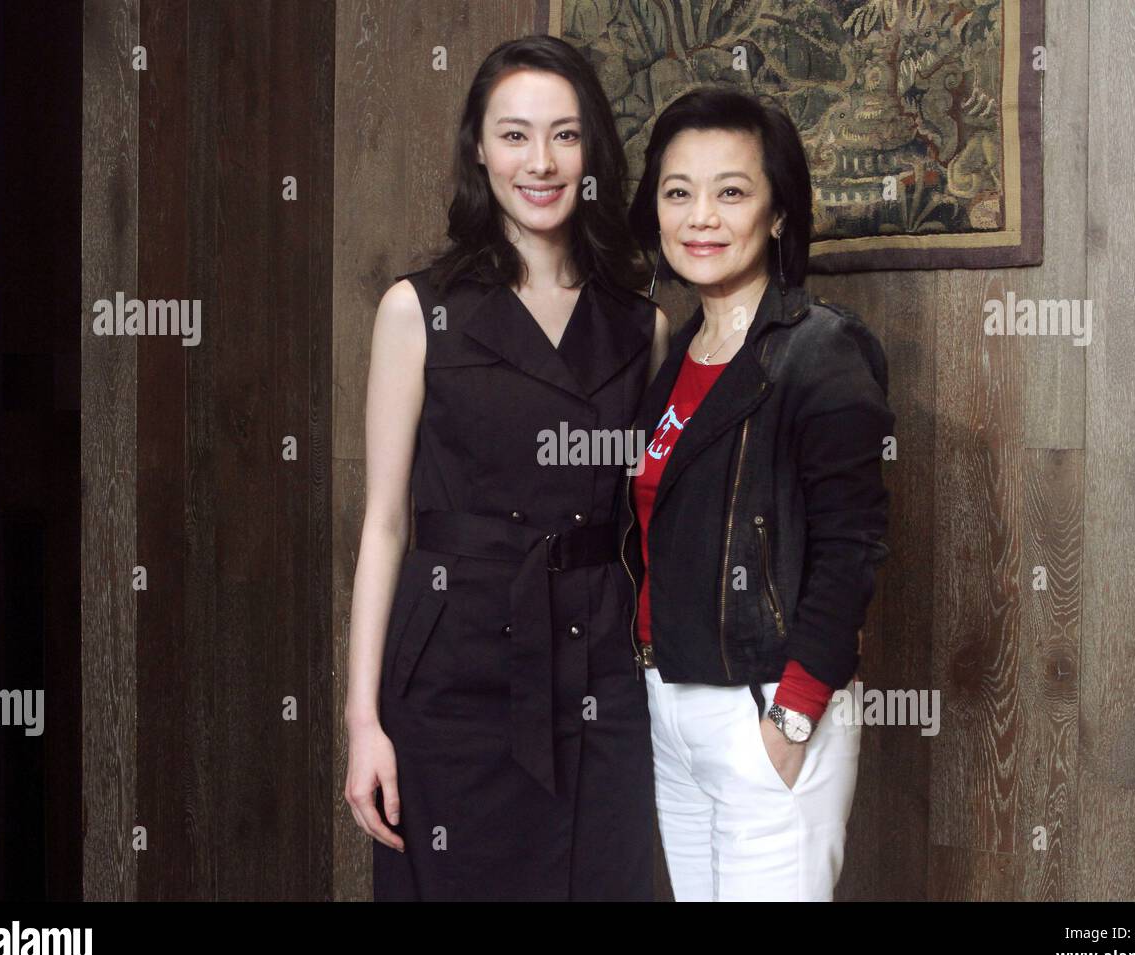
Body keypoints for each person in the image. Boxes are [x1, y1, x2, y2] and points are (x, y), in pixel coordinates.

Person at [343, 35, 669, 900]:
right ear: (479, 149)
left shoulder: (644, 324)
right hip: (452, 678)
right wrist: (362, 721)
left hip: (598, 677)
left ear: (593, 150)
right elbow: (383, 525)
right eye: (515, 134)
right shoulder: (417, 311)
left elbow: (654, 523)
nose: (541, 161)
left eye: (564, 135)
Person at [622, 86, 895, 901]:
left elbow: (852, 547)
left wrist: (793, 717)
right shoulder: (675, 357)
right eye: (679, 192)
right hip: (671, 709)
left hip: (766, 707)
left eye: (731, 191)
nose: (701, 215)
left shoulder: (823, 350)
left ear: (778, 214)